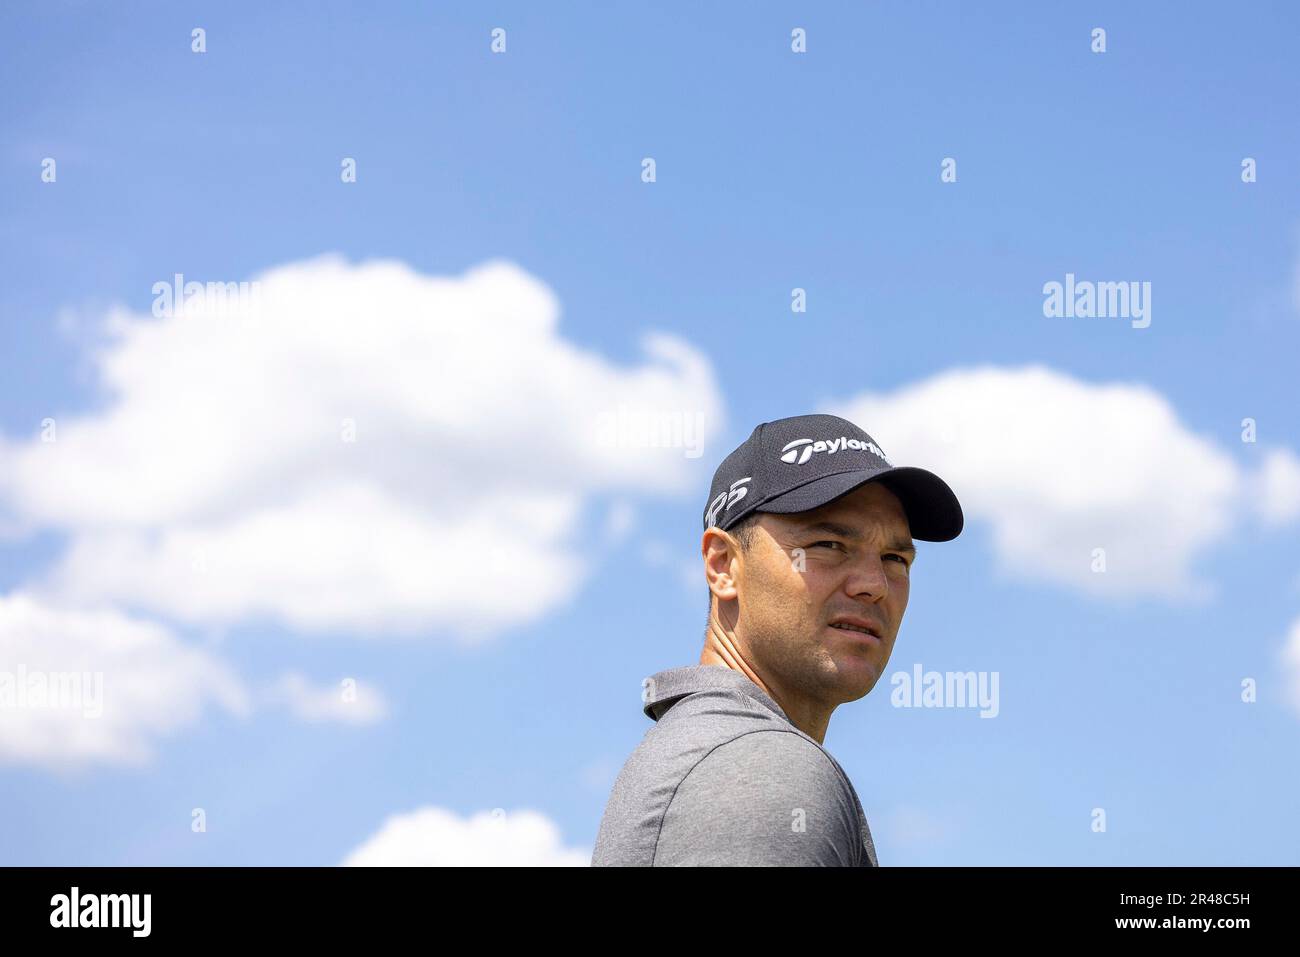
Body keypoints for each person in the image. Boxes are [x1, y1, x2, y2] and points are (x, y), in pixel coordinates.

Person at [591, 412, 964, 866]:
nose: (874, 584)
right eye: (828, 545)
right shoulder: (759, 769)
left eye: (894, 558)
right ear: (723, 565)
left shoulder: (713, 750)